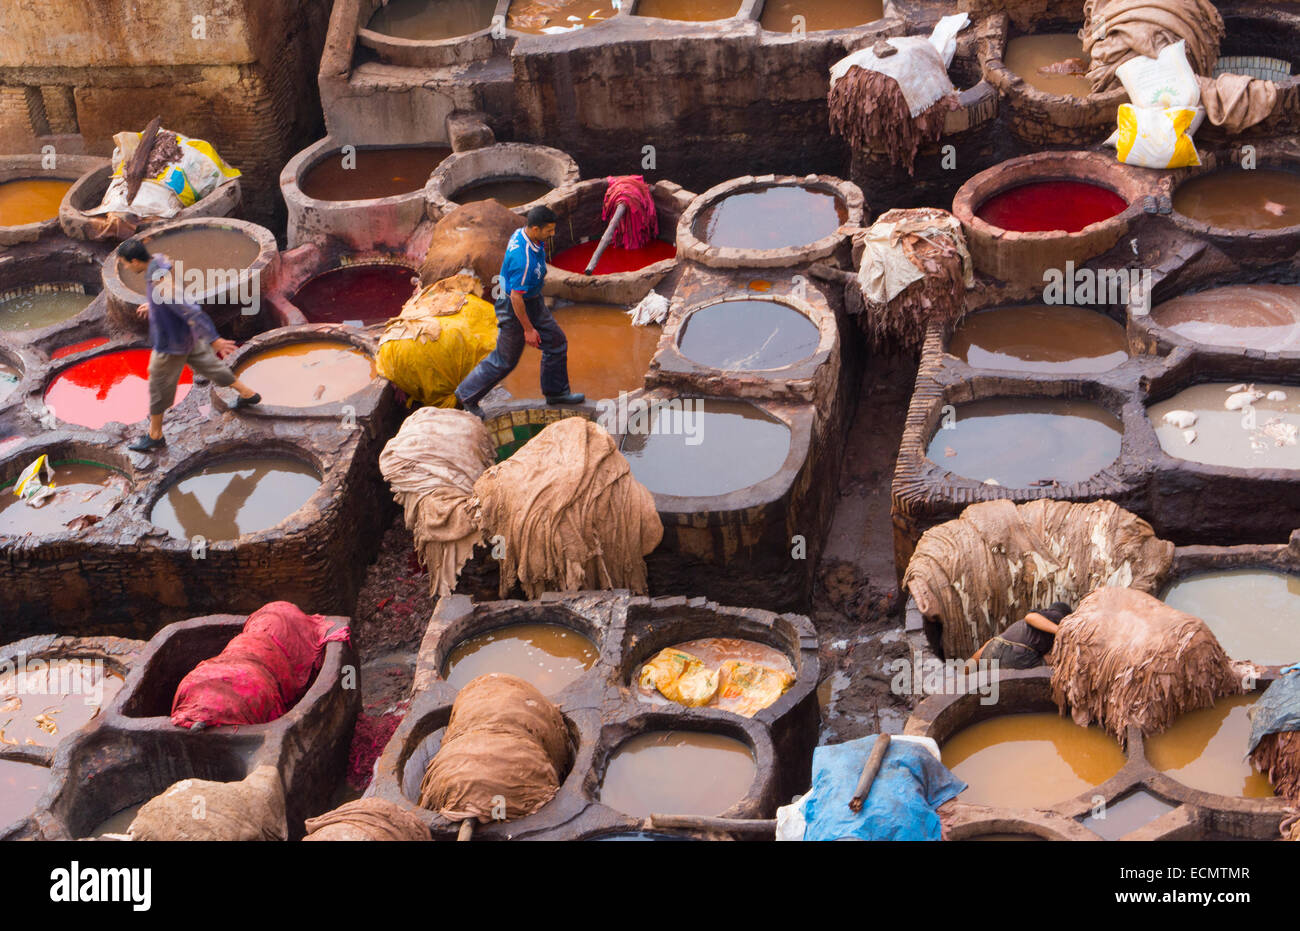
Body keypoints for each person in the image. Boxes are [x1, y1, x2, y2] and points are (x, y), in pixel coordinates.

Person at [118, 239, 261, 452]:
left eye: (126, 263)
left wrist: (214, 339)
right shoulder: (157, 262)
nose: (127, 268)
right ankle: (249, 394)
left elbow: (191, 310)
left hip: (170, 344)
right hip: (188, 336)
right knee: (211, 367)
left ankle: (155, 435)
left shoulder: (164, 287)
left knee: (157, 385)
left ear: (136, 261)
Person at [453, 205, 584, 417]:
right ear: (534, 229)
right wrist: (528, 329)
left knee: (556, 342)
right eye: (548, 230)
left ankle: (556, 392)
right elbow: (516, 297)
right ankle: (467, 394)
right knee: (505, 359)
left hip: (532, 299)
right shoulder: (524, 262)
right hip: (515, 305)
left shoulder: (524, 235)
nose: (552, 234)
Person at [968, 602, 1073, 670]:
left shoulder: (1019, 628)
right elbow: (1030, 617)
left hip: (991, 652)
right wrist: (1062, 630)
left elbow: (990, 643)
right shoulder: (1057, 616)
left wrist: (963, 674)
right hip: (1016, 657)